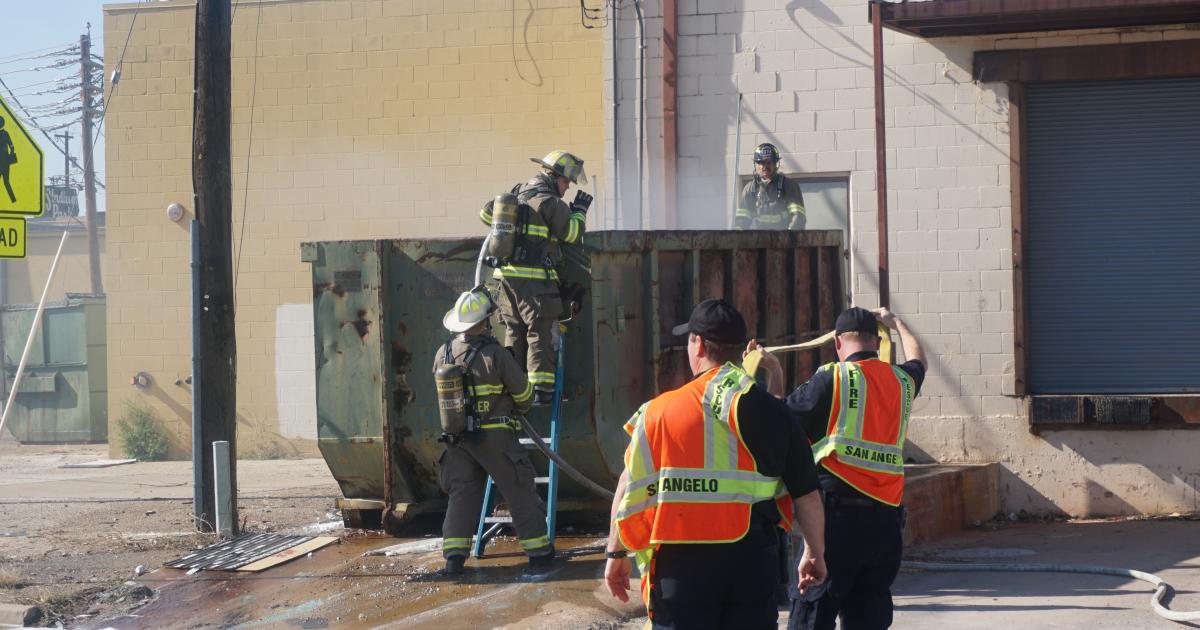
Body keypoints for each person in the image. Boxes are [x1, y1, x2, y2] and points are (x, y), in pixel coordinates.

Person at [603, 298, 828, 629]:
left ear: (699, 344)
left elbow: (628, 486)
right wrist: (814, 552)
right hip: (751, 561)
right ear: (739, 351)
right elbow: (807, 493)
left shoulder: (657, 412)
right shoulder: (773, 411)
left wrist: (616, 553)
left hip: (681, 566)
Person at [757, 306, 926, 630]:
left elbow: (777, 421)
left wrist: (773, 369)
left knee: (812, 616)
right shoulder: (902, 382)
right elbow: (920, 361)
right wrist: (898, 322)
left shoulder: (832, 378)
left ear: (837, 343)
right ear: (877, 342)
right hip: (885, 528)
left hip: (836, 523)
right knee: (869, 617)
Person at [432, 287, 554, 576]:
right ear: (483, 322)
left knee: (461, 496)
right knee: (519, 491)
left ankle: (453, 559)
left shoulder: (443, 353)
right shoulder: (495, 354)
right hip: (496, 440)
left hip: (457, 440)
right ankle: (539, 554)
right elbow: (524, 397)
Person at [480, 150, 591, 405]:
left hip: (505, 281)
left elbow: (486, 215)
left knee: (514, 332)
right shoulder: (548, 202)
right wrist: (580, 212)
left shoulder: (518, 191)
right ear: (554, 176)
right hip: (535, 283)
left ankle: (515, 389)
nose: (567, 188)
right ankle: (541, 392)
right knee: (539, 334)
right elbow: (572, 234)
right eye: (566, 182)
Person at [734, 142, 806, 230]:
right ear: (756, 165)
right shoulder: (750, 189)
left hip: (782, 240)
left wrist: (788, 237)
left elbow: (798, 216)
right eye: (762, 163)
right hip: (758, 241)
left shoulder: (788, 186)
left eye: (769, 162)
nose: (765, 166)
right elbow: (742, 220)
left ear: (776, 164)